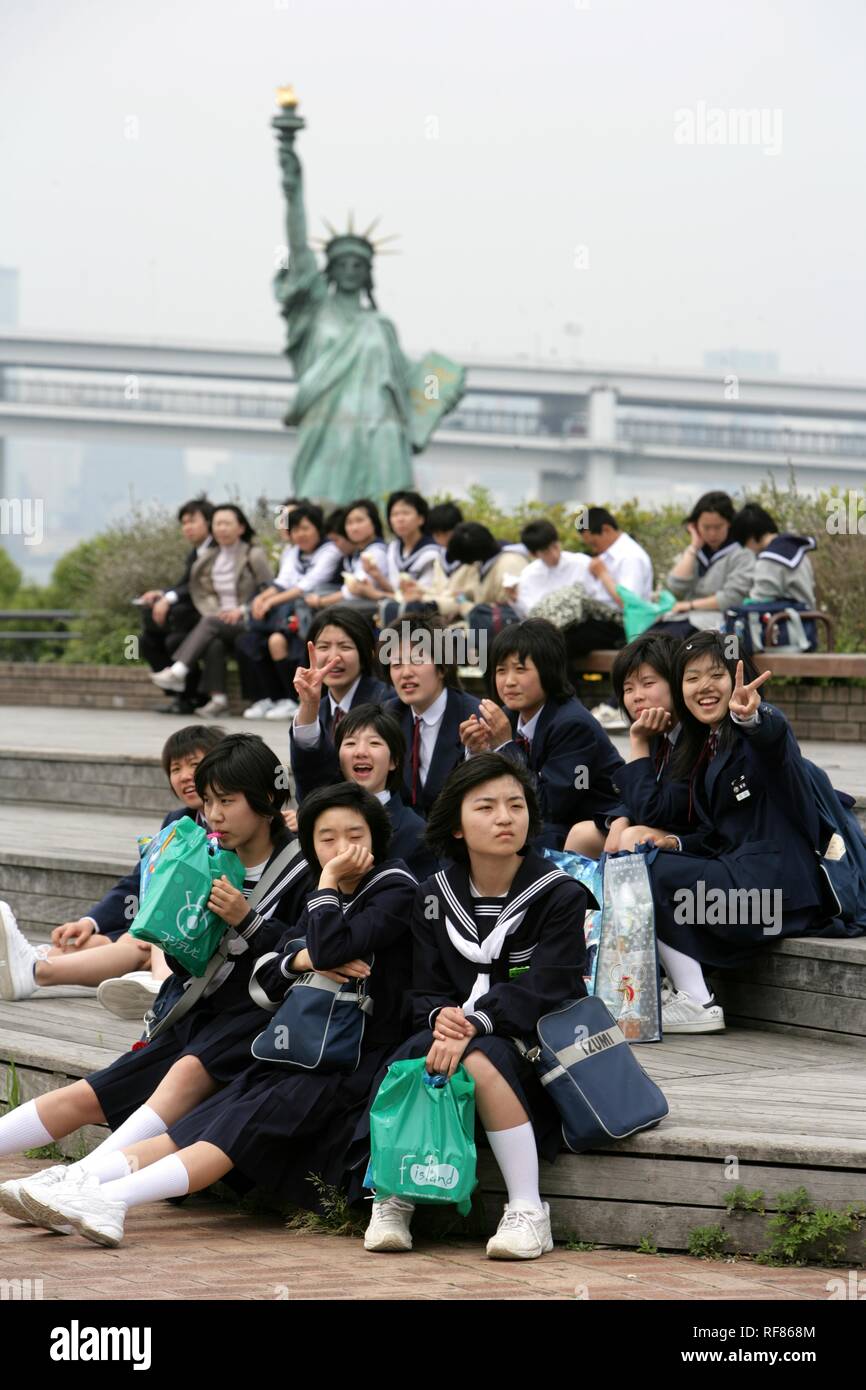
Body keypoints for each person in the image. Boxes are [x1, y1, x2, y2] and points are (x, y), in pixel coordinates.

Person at [10, 784, 418, 1248]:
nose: (342, 849)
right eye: (326, 838)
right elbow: (270, 977)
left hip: (348, 1062)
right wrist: (302, 960)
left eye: (354, 834)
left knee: (230, 1131)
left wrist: (322, 898)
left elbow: (325, 945)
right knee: (199, 1125)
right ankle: (80, 1185)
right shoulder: (325, 895)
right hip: (295, 1047)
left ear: (377, 837)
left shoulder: (393, 886)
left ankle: (111, 1198)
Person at [0, 734, 312, 1229]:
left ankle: (74, 1182)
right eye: (208, 801)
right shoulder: (201, 852)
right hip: (192, 1012)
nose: (214, 814)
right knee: (89, 1093)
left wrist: (248, 919)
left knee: (187, 1070)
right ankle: (68, 1186)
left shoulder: (304, 868)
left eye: (227, 801)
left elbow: (304, 955)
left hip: (255, 1026)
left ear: (269, 800)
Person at [362, 752, 590, 1261]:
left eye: (515, 805)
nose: (505, 817)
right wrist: (439, 1018)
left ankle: (529, 1210)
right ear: (458, 826)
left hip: (535, 1042)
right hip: (457, 1030)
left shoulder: (558, 895)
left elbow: (549, 985)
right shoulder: (433, 897)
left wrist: (475, 1023)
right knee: (410, 1060)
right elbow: (423, 987)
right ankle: (393, 1196)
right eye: (485, 807)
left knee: (482, 1061)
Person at [635, 632, 840, 1034]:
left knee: (647, 872)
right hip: (748, 888)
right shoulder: (707, 745)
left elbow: (773, 739)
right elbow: (719, 834)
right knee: (640, 859)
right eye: (691, 678)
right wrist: (676, 843)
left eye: (716, 675)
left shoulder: (756, 732)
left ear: (736, 679)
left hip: (772, 898)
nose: (704, 687)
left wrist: (751, 717)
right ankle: (684, 989)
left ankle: (696, 999)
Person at [0, 725, 226, 1015]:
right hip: (164, 928)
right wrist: (91, 921)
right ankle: (26, 963)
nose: (184, 776)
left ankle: (33, 969)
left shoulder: (233, 823)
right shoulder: (179, 820)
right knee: (96, 940)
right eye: (175, 768)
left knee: (139, 942)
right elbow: (136, 883)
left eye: (194, 765)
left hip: (198, 930)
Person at [460, 619, 624, 850]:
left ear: (548, 670)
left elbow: (550, 807)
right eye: (501, 670)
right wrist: (477, 752)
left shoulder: (574, 725)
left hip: (589, 827)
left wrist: (505, 746)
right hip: (549, 823)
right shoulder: (508, 716)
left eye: (520, 669)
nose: (509, 681)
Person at [567, 632, 688, 855]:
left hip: (692, 839)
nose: (636, 696)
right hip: (658, 824)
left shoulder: (692, 736)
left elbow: (654, 813)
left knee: (632, 838)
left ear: (677, 682)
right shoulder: (656, 731)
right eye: (628, 688)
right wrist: (620, 818)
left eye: (648, 683)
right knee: (580, 835)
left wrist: (638, 742)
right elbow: (632, 797)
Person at [150, 505, 274, 717]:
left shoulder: (254, 555)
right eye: (217, 524)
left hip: (247, 619)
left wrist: (242, 609)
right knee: (213, 640)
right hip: (220, 620)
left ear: (241, 527)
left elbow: (269, 588)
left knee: (209, 623)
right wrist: (216, 610)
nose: (222, 529)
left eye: (227, 523)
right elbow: (199, 590)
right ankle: (219, 701)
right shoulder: (209, 557)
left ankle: (179, 670)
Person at [290, 702, 438, 880]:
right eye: (350, 743)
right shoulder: (319, 814)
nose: (360, 752)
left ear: (394, 761)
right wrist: (308, 706)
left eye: (374, 743)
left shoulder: (415, 832)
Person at [239, 502, 344, 720]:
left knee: (277, 641)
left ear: (318, 527)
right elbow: (283, 580)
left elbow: (306, 585)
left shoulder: (331, 551)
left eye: (306, 528)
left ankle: (291, 698)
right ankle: (272, 698)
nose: (300, 534)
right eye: (295, 529)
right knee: (248, 640)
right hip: (287, 613)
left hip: (312, 614)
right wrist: (261, 599)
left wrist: (270, 601)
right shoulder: (291, 551)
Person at [379, 614, 482, 815]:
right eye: (397, 665)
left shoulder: (474, 717)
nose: (406, 673)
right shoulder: (387, 716)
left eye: (417, 661)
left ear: (442, 667)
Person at [289, 609, 391, 789]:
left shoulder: (387, 702)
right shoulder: (314, 710)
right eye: (323, 647)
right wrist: (308, 707)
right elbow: (306, 779)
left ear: (366, 652)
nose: (334, 658)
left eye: (345, 647)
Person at [138, 497, 215, 715]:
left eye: (192, 521)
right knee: (148, 640)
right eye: (184, 523)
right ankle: (177, 695)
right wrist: (161, 594)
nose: (187, 527)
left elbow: (197, 588)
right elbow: (184, 583)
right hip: (189, 617)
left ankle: (192, 696)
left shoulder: (216, 549)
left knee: (175, 640)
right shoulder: (195, 552)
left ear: (208, 521)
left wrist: (168, 599)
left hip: (207, 615)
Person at [655, 491, 754, 640]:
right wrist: (693, 547)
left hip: (720, 625)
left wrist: (690, 605)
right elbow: (675, 587)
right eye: (706, 527)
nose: (712, 533)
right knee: (649, 641)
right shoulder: (697, 553)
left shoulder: (742, 554)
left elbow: (731, 598)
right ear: (695, 526)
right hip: (685, 620)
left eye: (718, 527)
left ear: (729, 523)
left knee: (667, 643)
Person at [407, 522, 528, 641]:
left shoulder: (509, 566)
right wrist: (426, 594)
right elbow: (466, 595)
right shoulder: (483, 564)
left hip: (505, 636)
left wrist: (462, 605)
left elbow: (508, 614)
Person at [304, 498, 389, 618]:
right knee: (315, 593)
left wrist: (320, 602)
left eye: (360, 521)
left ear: (374, 523)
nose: (354, 528)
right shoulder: (358, 553)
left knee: (333, 611)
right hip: (362, 599)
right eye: (349, 523)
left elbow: (354, 590)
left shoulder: (376, 551)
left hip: (376, 602)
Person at [362, 491, 440, 619]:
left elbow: (421, 598)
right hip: (399, 610)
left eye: (406, 513)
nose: (400, 519)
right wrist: (376, 575)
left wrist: (376, 594)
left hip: (423, 616)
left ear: (421, 519)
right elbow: (395, 590)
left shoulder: (432, 553)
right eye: (394, 514)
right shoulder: (394, 548)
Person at [730, 504, 817, 607]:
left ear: (751, 538)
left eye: (744, 544)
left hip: (788, 620)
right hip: (807, 618)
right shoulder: (796, 548)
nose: (746, 549)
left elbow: (759, 600)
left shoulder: (770, 559)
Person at [513, 519, 588, 618]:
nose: (554, 554)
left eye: (555, 546)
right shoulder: (528, 576)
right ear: (533, 554)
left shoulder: (581, 563)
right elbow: (529, 613)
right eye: (546, 552)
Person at [428, 500, 464, 573]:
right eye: (437, 535)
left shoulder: (473, 559)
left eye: (446, 534)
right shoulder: (439, 558)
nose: (442, 539)